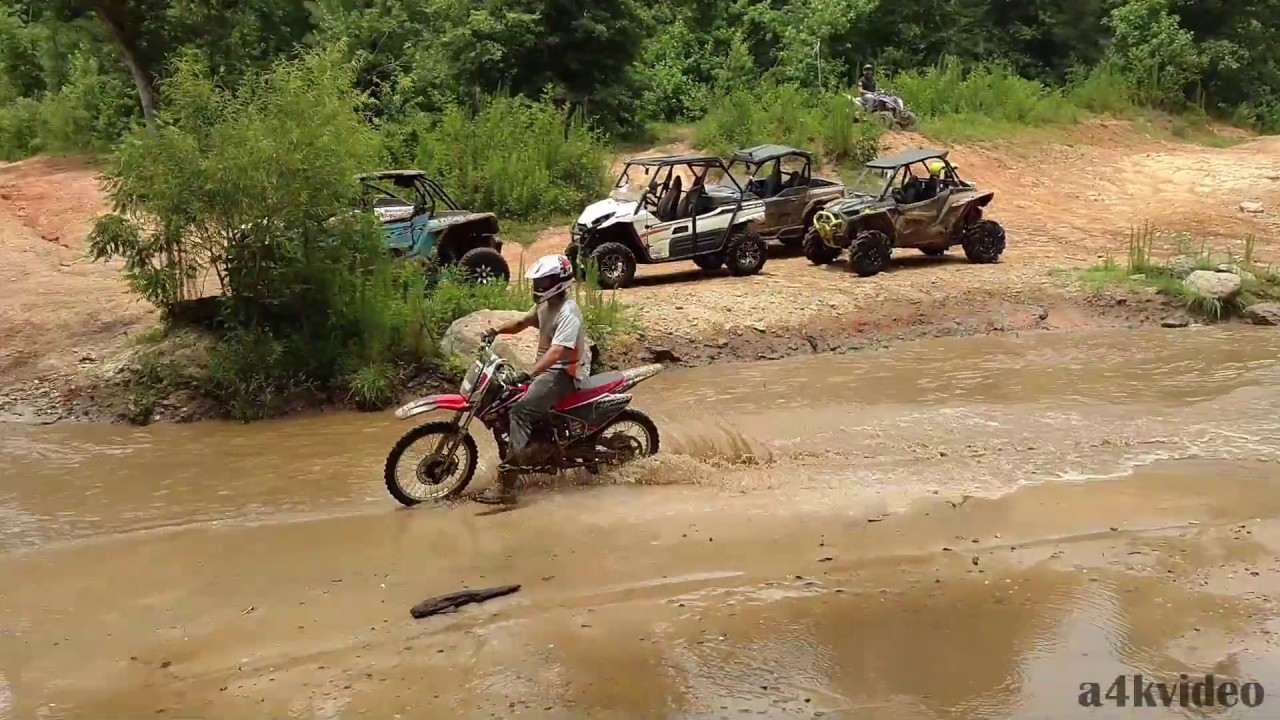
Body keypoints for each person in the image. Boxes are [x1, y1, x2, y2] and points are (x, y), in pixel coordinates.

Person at [474, 253, 589, 505]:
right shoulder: (545, 305)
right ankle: (535, 446)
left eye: (544, 282)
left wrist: (530, 372)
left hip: (564, 373)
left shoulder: (569, 312)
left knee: (520, 411)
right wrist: (495, 331)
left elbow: (558, 352)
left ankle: (507, 488)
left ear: (558, 281)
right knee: (506, 399)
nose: (538, 287)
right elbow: (521, 323)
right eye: (538, 282)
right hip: (547, 369)